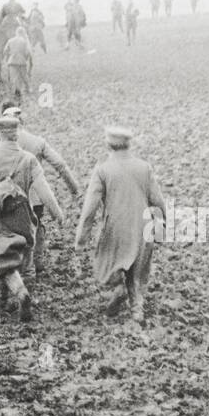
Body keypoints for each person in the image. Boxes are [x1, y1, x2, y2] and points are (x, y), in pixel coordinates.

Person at [0, 115, 62, 320]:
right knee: (12, 257)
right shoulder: (28, 159)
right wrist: (57, 213)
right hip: (22, 215)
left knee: (1, 257)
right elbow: (43, 190)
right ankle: (1, 300)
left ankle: (20, 292)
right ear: (17, 134)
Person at [74, 125, 165, 322]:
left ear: (108, 144)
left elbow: (90, 208)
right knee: (138, 270)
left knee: (108, 262)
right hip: (143, 226)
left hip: (115, 226)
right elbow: (158, 201)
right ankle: (137, 309)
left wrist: (81, 239)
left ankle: (118, 287)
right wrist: (161, 229)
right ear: (128, 144)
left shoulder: (103, 170)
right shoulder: (144, 167)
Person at [0, 104, 81, 272]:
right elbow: (60, 164)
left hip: (1, 200)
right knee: (35, 226)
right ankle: (35, 260)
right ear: (21, 122)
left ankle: (10, 269)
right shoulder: (38, 142)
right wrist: (74, 189)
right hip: (32, 198)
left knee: (2, 231)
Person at [2, 27, 33, 100]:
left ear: (16, 33)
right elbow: (27, 52)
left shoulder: (10, 40)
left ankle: (16, 91)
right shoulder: (24, 41)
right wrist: (24, 58)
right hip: (22, 61)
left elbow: (5, 51)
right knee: (24, 76)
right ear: (22, 33)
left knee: (14, 77)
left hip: (12, 62)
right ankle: (28, 89)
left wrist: (11, 55)